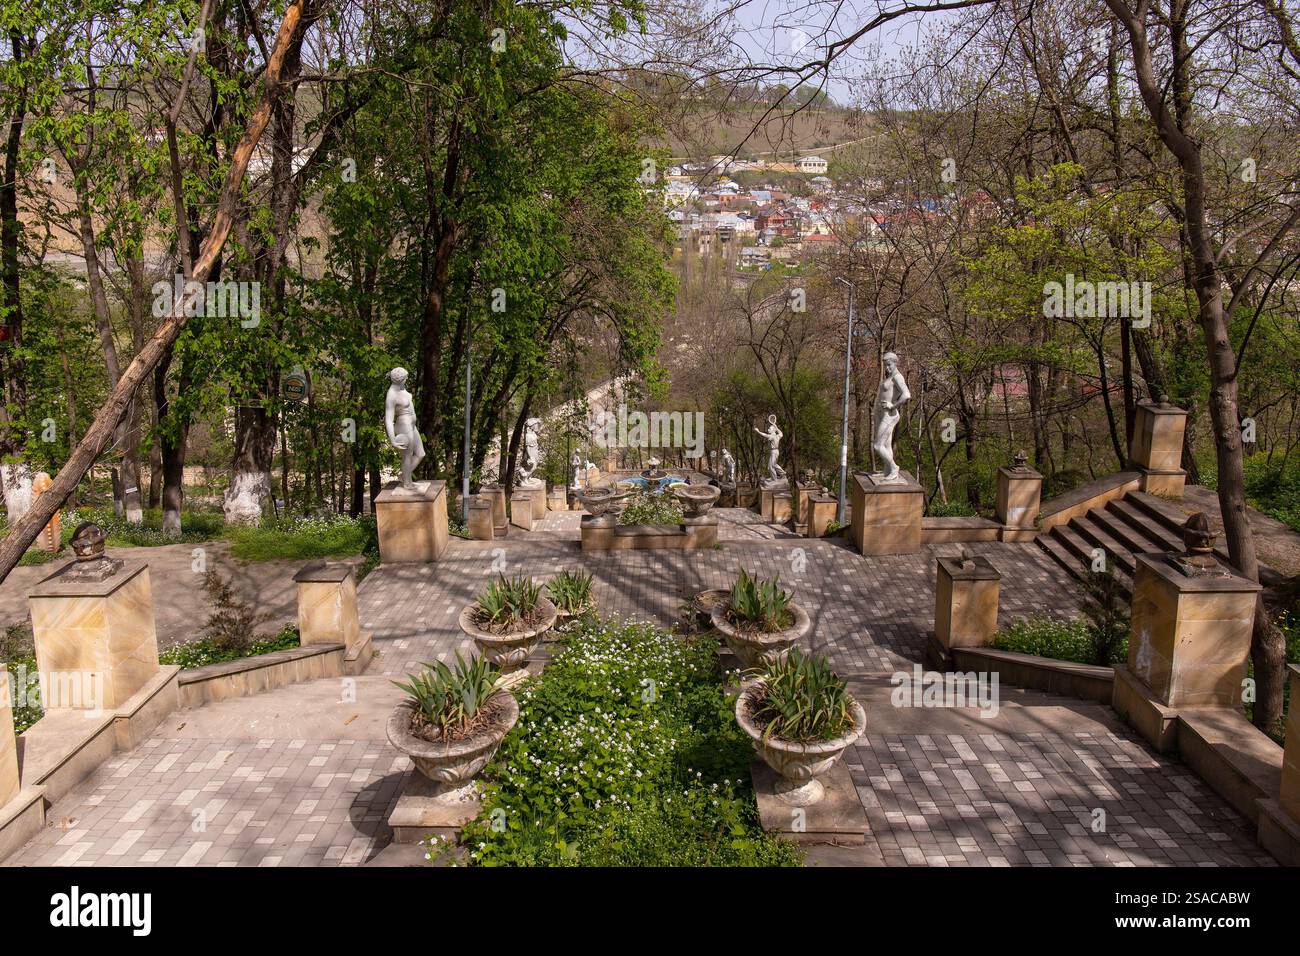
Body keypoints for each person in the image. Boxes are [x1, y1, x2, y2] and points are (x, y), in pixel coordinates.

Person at [872, 352, 911, 481]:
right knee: (887, 446)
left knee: (877, 445)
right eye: (885, 365)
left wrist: (892, 406)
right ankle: (887, 471)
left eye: (889, 365)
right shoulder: (890, 376)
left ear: (895, 363)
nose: (887, 368)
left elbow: (906, 395)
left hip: (889, 416)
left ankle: (894, 467)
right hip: (881, 414)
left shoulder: (897, 377)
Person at [385, 367, 425, 490]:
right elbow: (388, 419)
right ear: (400, 380)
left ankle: (404, 476)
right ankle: (407, 483)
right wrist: (392, 440)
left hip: (411, 425)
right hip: (403, 426)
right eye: (405, 378)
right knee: (407, 456)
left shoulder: (401, 388)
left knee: (421, 454)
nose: (407, 379)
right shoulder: (391, 395)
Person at [754, 415, 786, 482]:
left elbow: (765, 435)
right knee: (773, 465)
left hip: (774, 452)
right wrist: (776, 427)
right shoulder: (777, 435)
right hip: (776, 452)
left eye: (770, 428)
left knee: (771, 467)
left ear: (773, 430)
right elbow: (781, 433)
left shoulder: (772, 436)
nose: (768, 429)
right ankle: (780, 474)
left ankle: (775, 479)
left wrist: (758, 431)